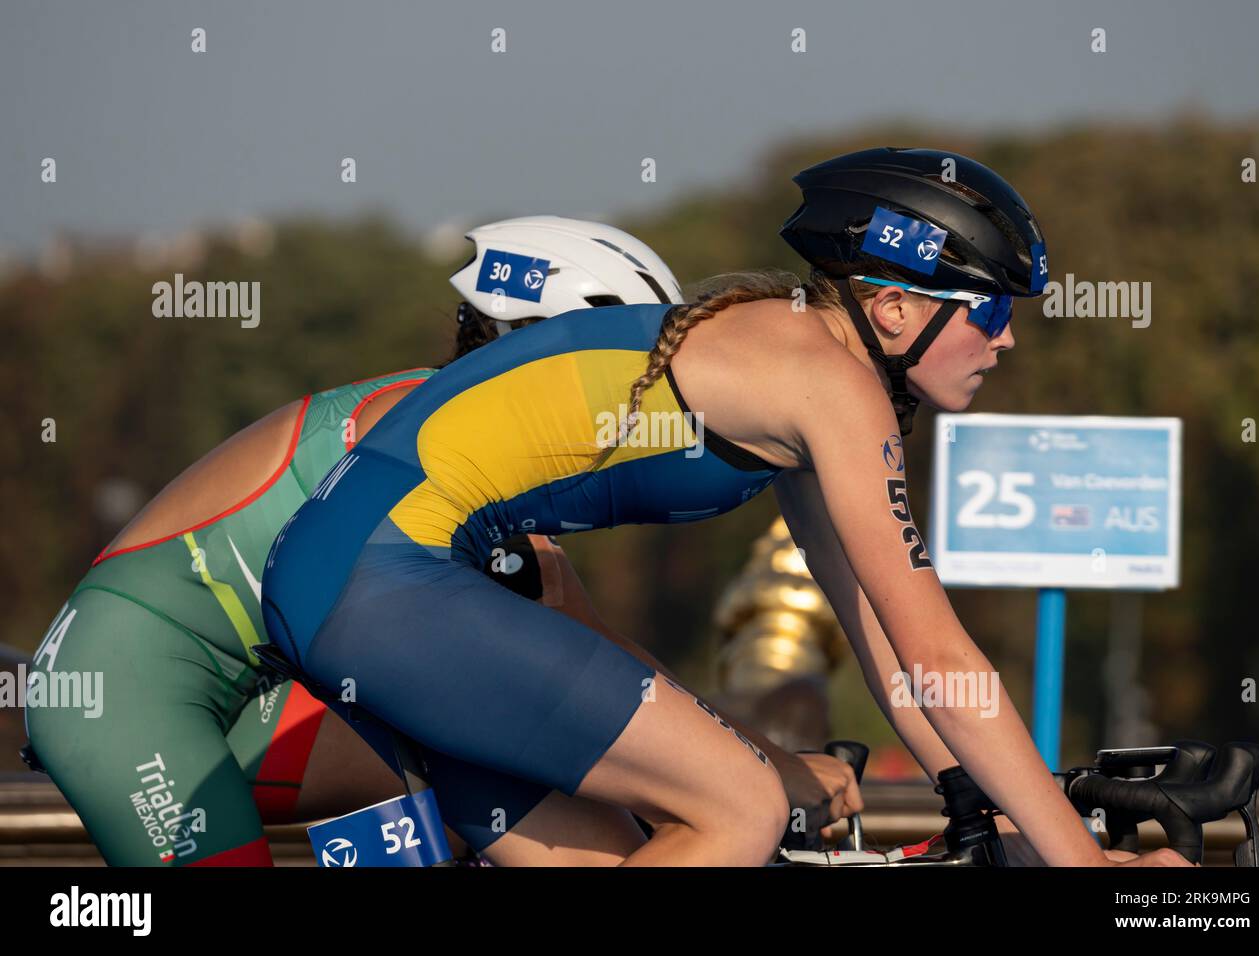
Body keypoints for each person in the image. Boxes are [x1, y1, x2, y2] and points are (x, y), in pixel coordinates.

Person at [261, 147, 1190, 866]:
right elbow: (940, 652)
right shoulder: (831, 385)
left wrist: (979, 799)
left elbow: (886, 642)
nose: (1008, 339)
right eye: (990, 311)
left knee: (639, 850)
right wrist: (1079, 861)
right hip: (387, 579)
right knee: (741, 804)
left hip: (360, 579)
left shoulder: (801, 367)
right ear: (897, 309)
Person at [27, 216, 828, 866]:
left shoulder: (474, 450)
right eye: (633, 372)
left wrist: (753, 768)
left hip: (256, 693)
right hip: (126, 687)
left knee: (557, 791)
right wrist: (772, 766)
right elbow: (595, 650)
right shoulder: (420, 435)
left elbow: (602, 679)